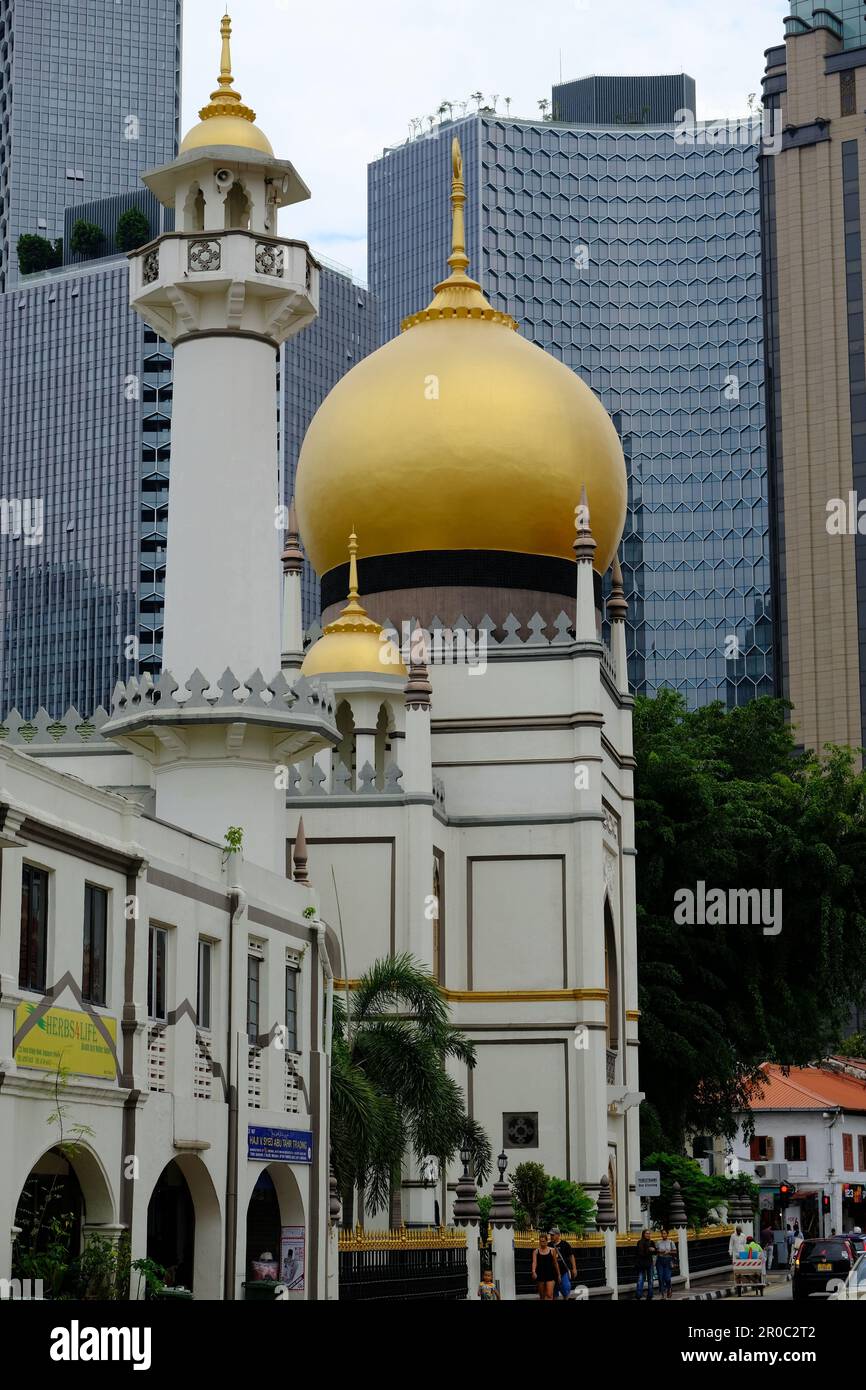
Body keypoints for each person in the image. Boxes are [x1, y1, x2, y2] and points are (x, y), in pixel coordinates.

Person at [531, 1232, 560, 1301]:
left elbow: (555, 1263)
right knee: (542, 1296)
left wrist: (559, 1274)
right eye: (540, 1241)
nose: (542, 1243)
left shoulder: (552, 1250)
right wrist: (533, 1271)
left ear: (547, 1241)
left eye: (543, 1241)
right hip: (540, 1274)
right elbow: (534, 1262)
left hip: (550, 1274)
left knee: (549, 1295)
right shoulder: (536, 1251)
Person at [550, 1227, 577, 1299]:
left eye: (553, 1235)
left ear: (558, 1235)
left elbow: (571, 1256)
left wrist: (574, 1268)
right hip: (552, 1273)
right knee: (553, 1294)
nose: (551, 1236)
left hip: (563, 1271)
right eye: (550, 1235)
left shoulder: (565, 1244)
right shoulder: (549, 1245)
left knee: (566, 1291)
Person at [634, 1231, 657, 1301]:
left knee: (651, 1280)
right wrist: (649, 1250)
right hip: (641, 1264)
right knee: (640, 1279)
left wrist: (654, 1250)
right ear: (643, 1234)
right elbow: (640, 1253)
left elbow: (655, 1252)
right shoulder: (639, 1242)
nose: (648, 1235)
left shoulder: (651, 1242)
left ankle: (650, 1295)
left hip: (649, 1263)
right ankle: (638, 1295)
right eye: (646, 1233)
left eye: (649, 1233)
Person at [656, 1228, 676, 1299]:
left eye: (664, 1233)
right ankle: (662, 1294)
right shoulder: (658, 1242)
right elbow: (656, 1252)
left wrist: (669, 1252)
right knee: (660, 1277)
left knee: (667, 1277)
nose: (663, 1235)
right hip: (660, 1261)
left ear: (667, 1234)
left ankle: (669, 1288)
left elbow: (675, 1252)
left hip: (668, 1260)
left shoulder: (671, 1242)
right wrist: (659, 1251)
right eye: (662, 1233)